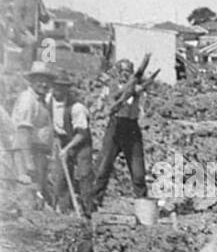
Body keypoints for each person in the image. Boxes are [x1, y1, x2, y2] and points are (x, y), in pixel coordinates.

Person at [91, 59, 153, 212]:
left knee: (138, 172)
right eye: (122, 71)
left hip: (131, 128)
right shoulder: (111, 87)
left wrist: (137, 91)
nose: (125, 74)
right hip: (115, 126)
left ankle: (143, 206)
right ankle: (93, 203)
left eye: (128, 71)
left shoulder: (138, 89)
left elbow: (142, 107)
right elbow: (104, 104)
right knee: (103, 168)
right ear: (118, 73)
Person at [10, 62, 55, 207]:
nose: (44, 84)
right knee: (27, 193)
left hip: (38, 154)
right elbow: (23, 133)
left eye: (47, 81)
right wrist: (28, 163)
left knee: (37, 195)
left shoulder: (40, 100)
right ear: (31, 81)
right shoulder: (27, 100)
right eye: (40, 80)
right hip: (26, 154)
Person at [51, 68, 92, 213]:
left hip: (81, 141)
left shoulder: (77, 108)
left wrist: (67, 149)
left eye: (61, 87)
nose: (57, 91)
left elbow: (82, 134)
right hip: (62, 140)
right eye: (55, 87)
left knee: (84, 175)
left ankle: (88, 211)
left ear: (66, 89)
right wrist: (58, 141)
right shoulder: (50, 101)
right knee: (61, 174)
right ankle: (63, 209)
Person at [13, 0, 51, 68]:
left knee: (49, 43)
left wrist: (46, 15)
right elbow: (18, 20)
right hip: (22, 33)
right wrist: (27, 33)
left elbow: (44, 19)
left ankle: (46, 70)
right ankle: (26, 71)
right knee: (30, 43)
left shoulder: (38, 0)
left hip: (36, 31)